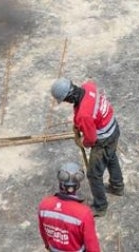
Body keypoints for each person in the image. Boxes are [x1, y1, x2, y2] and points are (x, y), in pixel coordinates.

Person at [50, 78, 125, 218]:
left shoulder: (83, 115)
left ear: (69, 96)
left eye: (66, 100)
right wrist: (78, 125)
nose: (67, 103)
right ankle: (117, 187)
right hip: (113, 128)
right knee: (111, 157)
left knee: (93, 174)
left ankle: (100, 206)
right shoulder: (88, 87)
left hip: (104, 139)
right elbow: (87, 109)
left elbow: (91, 139)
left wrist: (81, 142)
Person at [38, 162, 102, 251]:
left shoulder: (44, 205)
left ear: (60, 182)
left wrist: (47, 246)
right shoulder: (84, 214)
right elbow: (92, 245)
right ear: (77, 185)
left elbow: (43, 231)